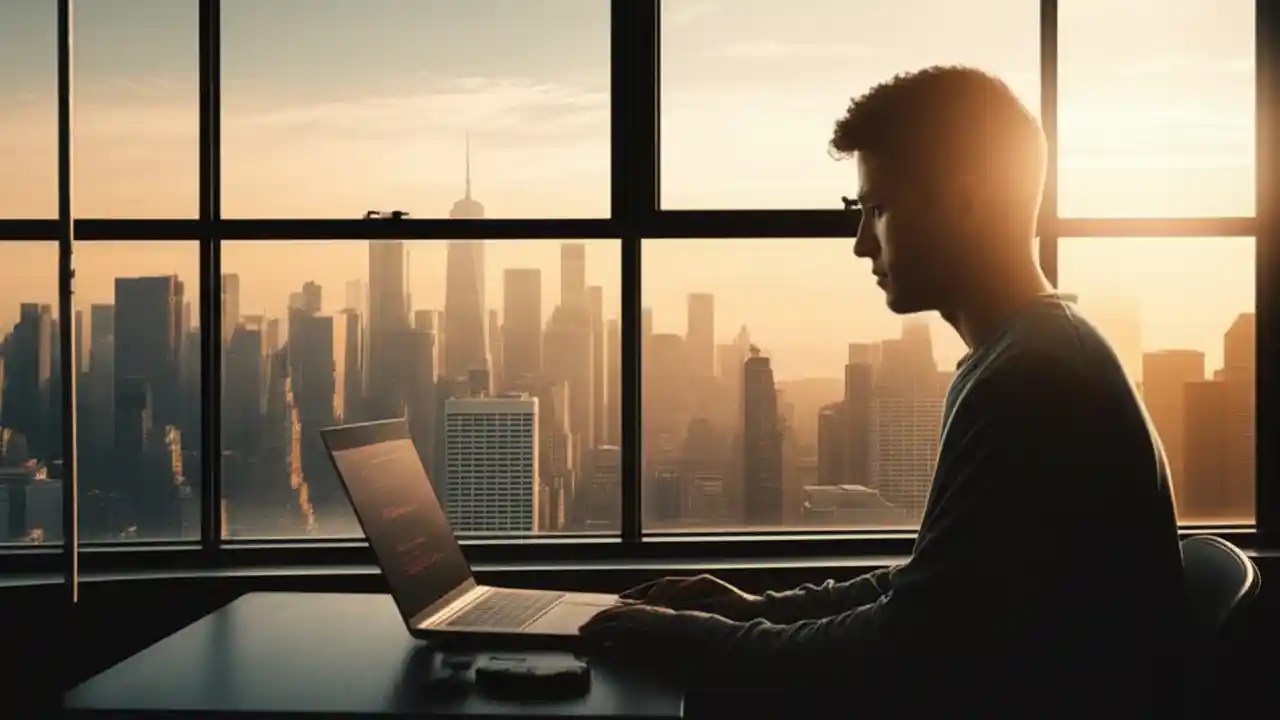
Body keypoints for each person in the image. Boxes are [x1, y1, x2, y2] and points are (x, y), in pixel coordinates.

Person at [581, 66, 1187, 716]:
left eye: (878, 208)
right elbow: (938, 587)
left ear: (966, 203)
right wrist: (759, 609)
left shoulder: (1033, 380)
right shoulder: (1025, 355)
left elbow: (909, 644)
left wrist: (704, 641)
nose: (861, 243)